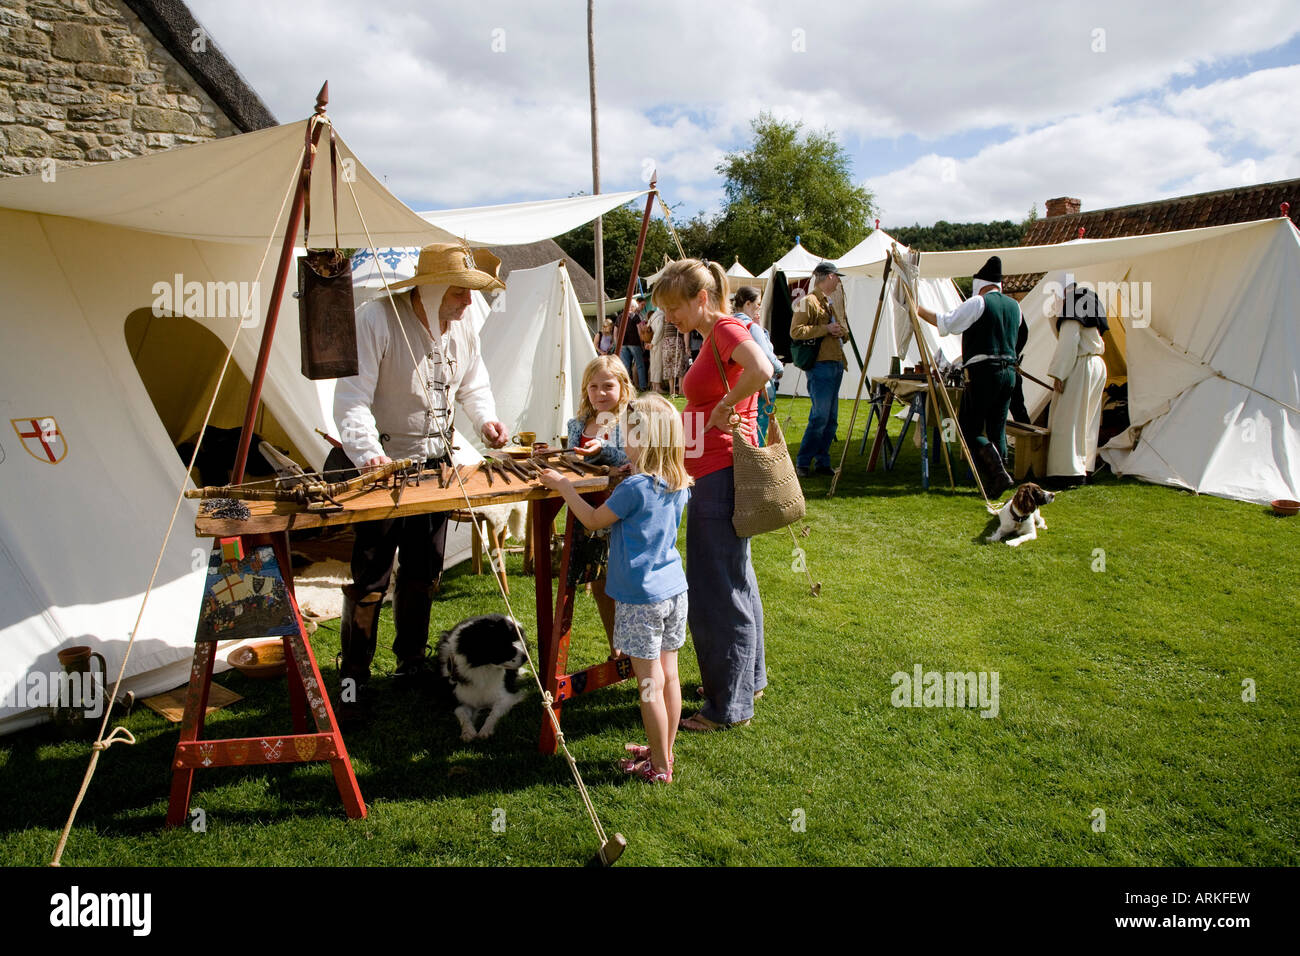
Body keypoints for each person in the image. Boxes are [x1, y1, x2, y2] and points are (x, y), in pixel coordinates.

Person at [333, 242, 509, 720]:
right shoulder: (376, 319)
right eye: (458, 292)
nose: (467, 303)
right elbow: (351, 399)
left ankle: (410, 662)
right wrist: (370, 456)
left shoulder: (466, 322)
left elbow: (474, 384)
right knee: (370, 577)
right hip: (381, 468)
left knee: (423, 570)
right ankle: (352, 677)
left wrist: (486, 421)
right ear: (429, 290)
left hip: (435, 466)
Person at [540, 393, 690, 783]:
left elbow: (591, 519)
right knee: (669, 678)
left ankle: (659, 768)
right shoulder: (678, 481)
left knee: (647, 684)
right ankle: (664, 751)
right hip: (674, 590)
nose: (624, 438)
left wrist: (562, 485)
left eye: (630, 433)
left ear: (646, 438)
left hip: (642, 598)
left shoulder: (634, 489)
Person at [652, 258, 773, 732]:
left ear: (701, 298)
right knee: (736, 580)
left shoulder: (722, 328)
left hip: (719, 472)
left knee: (717, 589)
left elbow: (761, 368)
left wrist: (725, 405)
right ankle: (746, 681)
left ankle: (728, 707)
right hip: (716, 468)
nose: (670, 318)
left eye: (675, 307)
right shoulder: (714, 334)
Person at [917, 255, 1018, 497]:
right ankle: (1000, 477)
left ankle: (998, 475)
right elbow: (1021, 338)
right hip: (1010, 372)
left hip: (985, 373)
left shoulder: (978, 303)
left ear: (980, 284)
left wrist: (917, 309)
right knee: (997, 428)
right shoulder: (1015, 306)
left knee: (969, 429)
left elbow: (946, 323)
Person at [564, 354, 633, 656]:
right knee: (600, 580)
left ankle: (635, 649)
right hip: (585, 509)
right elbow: (572, 460)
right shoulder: (577, 424)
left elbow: (632, 462)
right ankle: (616, 648)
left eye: (607, 386)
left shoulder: (628, 422)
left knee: (623, 581)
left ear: (623, 387)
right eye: (593, 387)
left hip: (619, 511)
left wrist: (604, 451)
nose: (600, 393)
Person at [789, 261, 849, 476]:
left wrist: (841, 332)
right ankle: (803, 462)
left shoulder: (831, 302)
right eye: (837, 277)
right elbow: (795, 331)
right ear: (829, 276)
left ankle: (822, 461)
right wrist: (826, 328)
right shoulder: (807, 301)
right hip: (820, 365)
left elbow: (840, 330)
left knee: (831, 419)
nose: (839, 281)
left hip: (835, 362)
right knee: (820, 417)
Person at [1046, 281, 1108, 485]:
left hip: (1081, 366)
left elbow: (1068, 342)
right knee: (1087, 420)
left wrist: (1059, 373)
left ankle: (1067, 472)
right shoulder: (1089, 303)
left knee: (1068, 419)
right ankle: (1083, 466)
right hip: (1097, 363)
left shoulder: (1073, 308)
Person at [731, 285, 782, 446]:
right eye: (757, 304)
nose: (759, 308)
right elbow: (766, 356)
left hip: (734, 385)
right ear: (748, 304)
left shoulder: (728, 324)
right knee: (756, 431)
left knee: (738, 427)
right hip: (758, 385)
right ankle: (755, 465)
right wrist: (779, 367)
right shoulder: (751, 327)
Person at [618, 297, 648, 390]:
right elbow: (639, 331)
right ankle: (643, 386)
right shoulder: (635, 316)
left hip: (623, 344)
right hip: (634, 343)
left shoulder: (620, 316)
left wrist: (618, 343)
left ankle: (626, 387)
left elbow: (615, 331)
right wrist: (642, 342)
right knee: (639, 365)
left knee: (626, 366)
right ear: (634, 307)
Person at [660, 311, 687, 396]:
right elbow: (683, 331)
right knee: (680, 366)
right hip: (676, 342)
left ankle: (672, 390)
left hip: (666, 343)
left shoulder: (664, 317)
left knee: (669, 367)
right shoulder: (678, 318)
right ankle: (680, 390)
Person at [647, 307, 666, 392]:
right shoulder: (661, 316)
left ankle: (654, 386)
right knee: (658, 365)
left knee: (653, 365)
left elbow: (648, 328)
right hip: (658, 342)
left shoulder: (653, 316)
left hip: (652, 342)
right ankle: (657, 387)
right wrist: (653, 342)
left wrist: (651, 342)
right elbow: (659, 330)